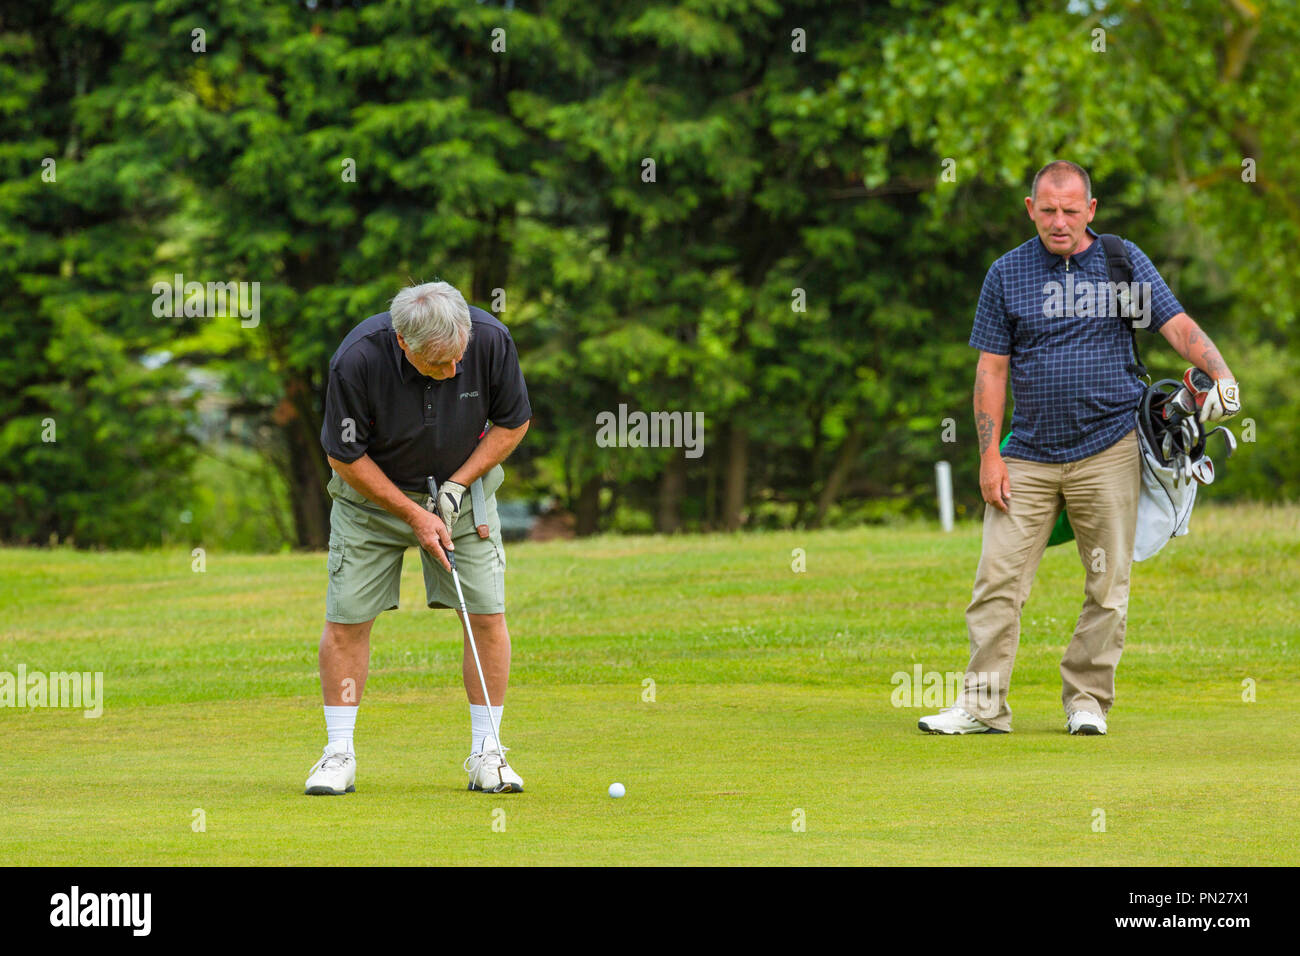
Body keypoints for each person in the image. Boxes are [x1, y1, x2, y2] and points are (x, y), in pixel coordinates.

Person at [920, 160, 1240, 736]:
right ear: (1030, 209)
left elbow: (1175, 325)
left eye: (1071, 210)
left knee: (1107, 584)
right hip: (1028, 453)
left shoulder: (1121, 260)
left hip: (1110, 447)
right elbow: (991, 370)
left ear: (1090, 210)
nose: (1059, 222)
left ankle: (1087, 700)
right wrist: (988, 455)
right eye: (1048, 210)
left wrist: (1220, 373)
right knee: (996, 580)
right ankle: (982, 707)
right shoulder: (1007, 273)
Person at [304, 280, 532, 792]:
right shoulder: (357, 360)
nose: (452, 372)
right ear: (404, 344)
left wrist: (456, 487)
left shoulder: (491, 340)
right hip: (371, 502)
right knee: (347, 619)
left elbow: (512, 423)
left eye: (457, 360)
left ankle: (487, 752)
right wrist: (412, 512)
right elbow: (344, 456)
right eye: (437, 364)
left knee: (486, 614)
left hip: (463, 495)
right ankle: (337, 755)